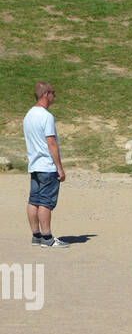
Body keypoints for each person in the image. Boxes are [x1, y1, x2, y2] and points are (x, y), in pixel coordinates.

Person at [23, 81, 68, 247]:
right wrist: (59, 168)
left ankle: (36, 235)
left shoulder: (28, 115)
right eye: (53, 92)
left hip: (34, 165)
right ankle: (47, 237)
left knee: (33, 200)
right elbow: (51, 143)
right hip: (47, 166)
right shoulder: (46, 116)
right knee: (45, 202)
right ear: (46, 94)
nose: (54, 96)